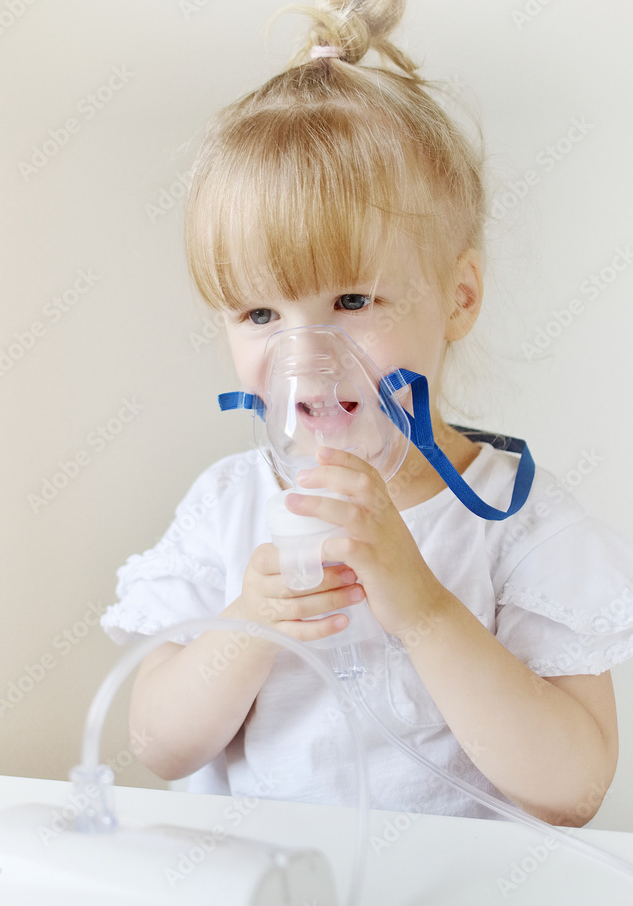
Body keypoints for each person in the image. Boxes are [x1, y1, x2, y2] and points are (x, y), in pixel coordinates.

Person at [100, 0, 632, 825]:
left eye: (352, 299)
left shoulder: (516, 522)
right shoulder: (226, 512)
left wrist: (422, 607)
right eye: (259, 315)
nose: (305, 357)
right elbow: (159, 746)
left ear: (458, 297)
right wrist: (246, 623)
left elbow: (574, 791)